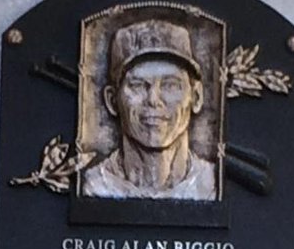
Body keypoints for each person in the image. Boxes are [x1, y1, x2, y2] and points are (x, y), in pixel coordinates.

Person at [82, 18, 217, 201]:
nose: (153, 100)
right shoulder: (92, 186)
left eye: (170, 85)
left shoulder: (213, 184)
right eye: (137, 85)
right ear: (112, 100)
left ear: (196, 97)